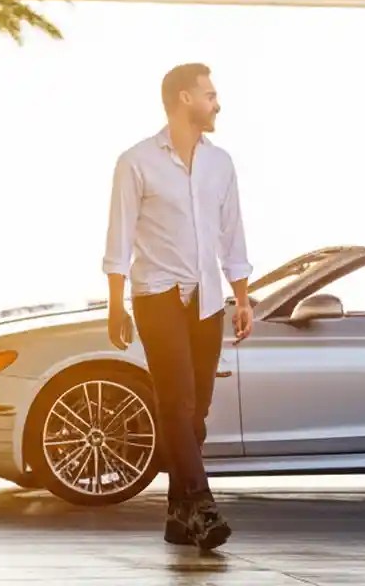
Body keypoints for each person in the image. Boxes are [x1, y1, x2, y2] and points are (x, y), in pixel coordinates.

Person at [101, 62, 253, 550]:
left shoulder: (221, 163)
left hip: (207, 297)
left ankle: (177, 515)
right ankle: (203, 506)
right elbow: (119, 236)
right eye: (210, 95)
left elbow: (232, 233)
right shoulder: (136, 161)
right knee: (177, 402)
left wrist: (242, 297)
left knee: (195, 412)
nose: (217, 103)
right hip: (156, 294)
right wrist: (116, 304)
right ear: (184, 98)